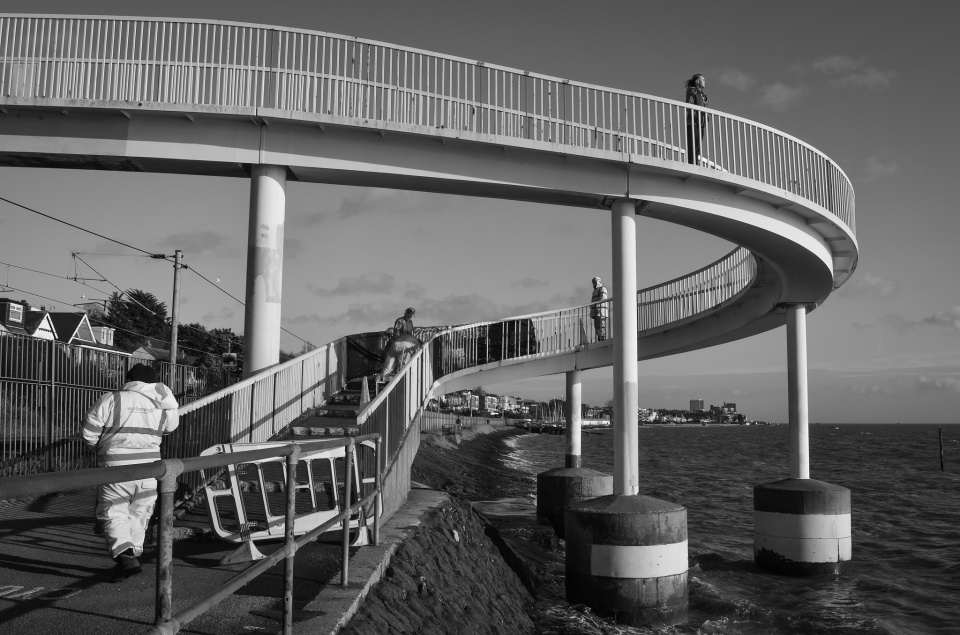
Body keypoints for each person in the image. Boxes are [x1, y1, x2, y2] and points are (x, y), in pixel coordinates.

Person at [83, 363, 179, 581]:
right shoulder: (163, 402)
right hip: (150, 467)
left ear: (128, 379)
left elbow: (89, 431)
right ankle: (131, 557)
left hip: (116, 466)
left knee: (112, 512)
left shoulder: (112, 398)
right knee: (140, 512)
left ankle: (126, 558)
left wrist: (99, 449)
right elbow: (170, 428)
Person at [378, 308, 421, 379]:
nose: (410, 315)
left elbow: (411, 334)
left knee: (392, 362)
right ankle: (400, 376)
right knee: (401, 362)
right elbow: (396, 333)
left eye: (411, 314)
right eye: (409, 313)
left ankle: (385, 374)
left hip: (406, 342)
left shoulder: (410, 322)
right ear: (406, 313)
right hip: (400, 342)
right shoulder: (400, 321)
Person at [684, 74, 708, 165]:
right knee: (693, 144)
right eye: (703, 80)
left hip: (701, 123)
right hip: (693, 123)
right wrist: (696, 117)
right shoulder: (692, 91)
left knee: (698, 145)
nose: (705, 82)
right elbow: (689, 106)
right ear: (697, 81)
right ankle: (692, 164)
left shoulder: (703, 95)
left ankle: (695, 163)